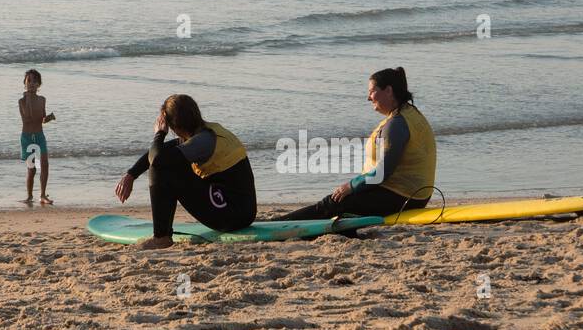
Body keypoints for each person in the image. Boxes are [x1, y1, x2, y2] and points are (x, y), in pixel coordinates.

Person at [275, 67, 435, 221]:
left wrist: (352, 185)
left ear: (388, 90)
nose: (368, 97)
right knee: (340, 202)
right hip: (412, 194)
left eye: (372, 91)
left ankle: (278, 225)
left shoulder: (397, 123)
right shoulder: (410, 113)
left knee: (334, 202)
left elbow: (382, 173)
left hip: (401, 196)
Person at [113, 94, 256, 250]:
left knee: (161, 168)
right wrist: (131, 174)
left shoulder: (202, 142)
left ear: (174, 125)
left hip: (231, 216)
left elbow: (157, 159)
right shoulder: (208, 132)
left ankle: (161, 238)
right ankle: (162, 235)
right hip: (241, 212)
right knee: (169, 160)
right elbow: (159, 153)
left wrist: (159, 133)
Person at [18, 68, 55, 205]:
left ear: (39, 84)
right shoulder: (21, 101)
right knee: (32, 169)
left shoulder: (42, 100)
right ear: (25, 84)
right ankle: (29, 196)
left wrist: (49, 118)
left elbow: (41, 119)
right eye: (29, 81)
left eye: (34, 81)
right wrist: (28, 98)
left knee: (44, 165)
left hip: (39, 136)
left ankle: (43, 195)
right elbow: (28, 117)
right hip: (27, 138)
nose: (32, 84)